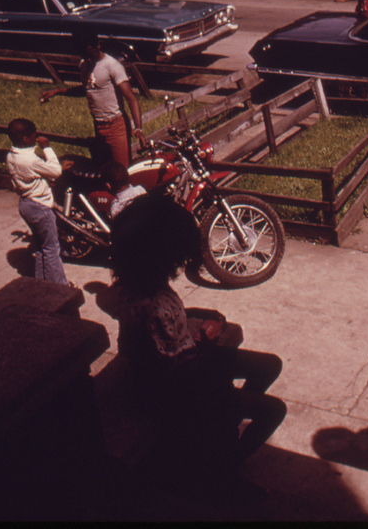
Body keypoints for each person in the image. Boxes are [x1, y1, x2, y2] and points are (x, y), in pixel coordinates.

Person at [100, 194, 287, 478]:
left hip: (172, 367)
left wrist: (196, 320)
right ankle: (223, 465)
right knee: (274, 410)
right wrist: (207, 338)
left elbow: (159, 320)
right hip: (175, 387)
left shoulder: (133, 287)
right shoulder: (156, 305)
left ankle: (230, 414)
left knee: (269, 364)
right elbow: (182, 371)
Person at [39, 30, 145, 167]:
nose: (88, 59)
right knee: (105, 169)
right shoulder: (84, 65)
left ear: (98, 46)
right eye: (83, 54)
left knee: (120, 172)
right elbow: (87, 89)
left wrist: (138, 129)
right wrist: (57, 91)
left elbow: (131, 98)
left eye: (90, 54)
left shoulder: (112, 66)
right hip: (98, 125)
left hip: (116, 126)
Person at [6, 117, 69, 285]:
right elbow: (55, 171)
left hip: (26, 204)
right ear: (26, 139)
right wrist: (46, 147)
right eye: (34, 136)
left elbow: (33, 175)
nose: (36, 139)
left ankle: (41, 284)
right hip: (40, 207)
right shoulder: (30, 160)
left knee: (42, 247)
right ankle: (60, 287)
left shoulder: (11, 156)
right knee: (51, 249)